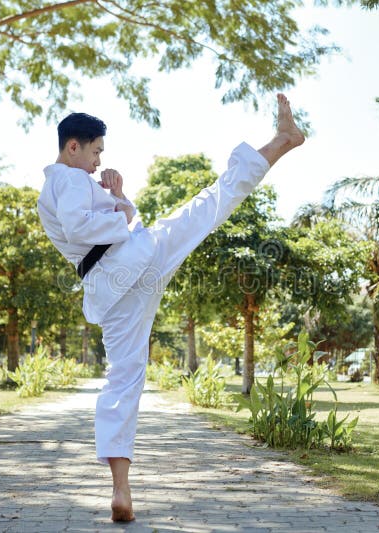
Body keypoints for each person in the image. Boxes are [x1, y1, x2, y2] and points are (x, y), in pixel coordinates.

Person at [37, 94, 304, 522]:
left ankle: (121, 492)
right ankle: (281, 142)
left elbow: (98, 227)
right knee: (204, 209)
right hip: (130, 264)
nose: (98, 160)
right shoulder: (66, 180)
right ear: (74, 146)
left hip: (114, 288)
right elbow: (83, 226)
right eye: (96, 151)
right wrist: (121, 214)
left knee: (122, 381)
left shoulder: (65, 186)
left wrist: (120, 198)